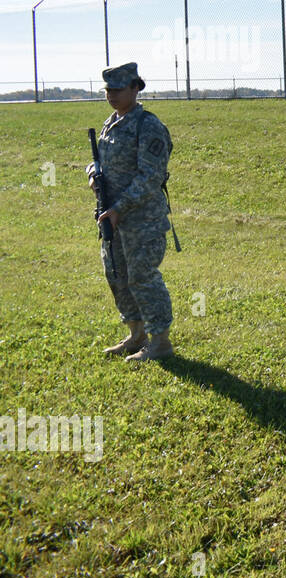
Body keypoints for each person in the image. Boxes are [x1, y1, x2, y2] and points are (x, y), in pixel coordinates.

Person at [90, 62, 176, 363]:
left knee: (142, 277)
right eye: (107, 90)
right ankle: (136, 334)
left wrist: (120, 207)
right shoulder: (111, 122)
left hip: (142, 220)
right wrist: (93, 173)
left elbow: (150, 177)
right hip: (112, 218)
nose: (111, 95)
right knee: (118, 275)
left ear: (135, 88)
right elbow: (101, 161)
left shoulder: (147, 125)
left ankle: (160, 341)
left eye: (117, 89)